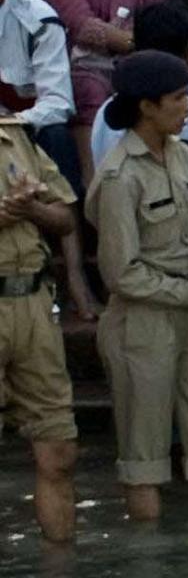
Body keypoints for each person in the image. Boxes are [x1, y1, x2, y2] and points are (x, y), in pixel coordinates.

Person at [90, 49, 188, 524]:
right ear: (146, 107)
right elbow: (123, 274)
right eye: (177, 99)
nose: (187, 108)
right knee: (144, 461)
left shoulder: (181, 155)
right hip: (142, 323)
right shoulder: (119, 177)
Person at [0, 76, 70, 543]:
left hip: (33, 302)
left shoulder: (15, 135)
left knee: (60, 449)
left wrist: (30, 211)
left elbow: (64, 215)